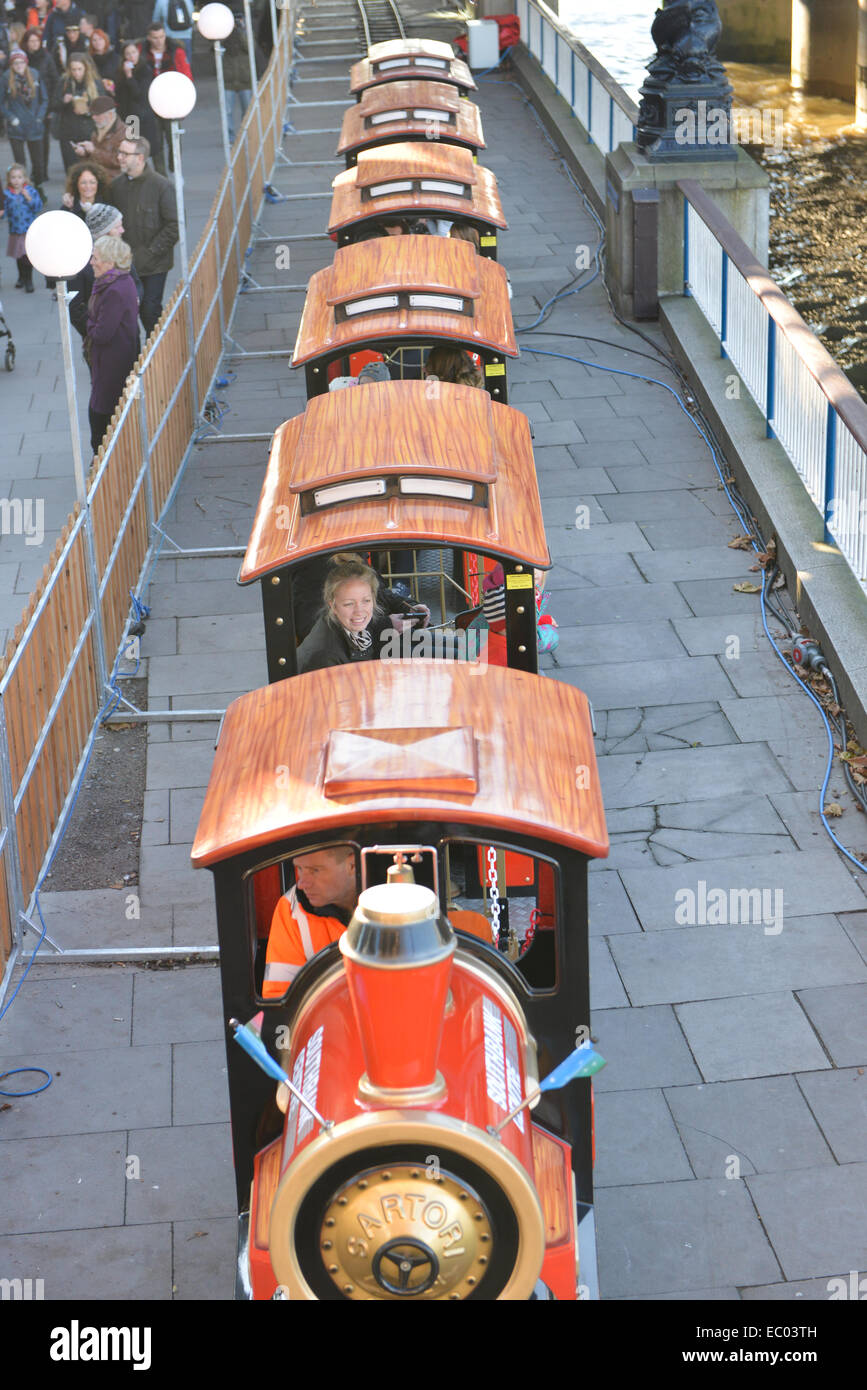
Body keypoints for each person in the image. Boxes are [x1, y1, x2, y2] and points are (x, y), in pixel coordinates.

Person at [262, 844, 359, 998]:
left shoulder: (401, 897)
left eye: (315, 870)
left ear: (352, 865)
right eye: (299, 869)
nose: (302, 883)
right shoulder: (291, 909)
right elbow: (278, 999)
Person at [110, 132, 177, 335]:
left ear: (140, 158)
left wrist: (150, 252)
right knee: (129, 313)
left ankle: (159, 354)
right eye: (119, 152)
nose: (119, 157)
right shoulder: (116, 187)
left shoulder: (161, 186)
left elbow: (174, 225)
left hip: (155, 264)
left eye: (125, 153)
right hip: (126, 264)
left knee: (150, 311)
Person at [85, 231, 138, 452]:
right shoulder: (116, 282)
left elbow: (101, 334)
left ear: (109, 261)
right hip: (112, 360)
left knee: (100, 416)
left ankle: (100, 463)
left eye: (95, 258)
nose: (91, 262)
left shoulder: (114, 289)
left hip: (112, 364)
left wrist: (88, 322)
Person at [68, 198, 142, 341]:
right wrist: (94, 332)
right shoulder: (83, 265)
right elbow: (75, 309)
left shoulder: (121, 251)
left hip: (128, 334)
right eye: (117, 227)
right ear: (104, 233)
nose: (122, 230)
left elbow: (136, 283)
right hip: (101, 343)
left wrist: (136, 298)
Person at [0, 50, 48, 191]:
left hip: (34, 124)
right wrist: (11, 117)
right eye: (15, 63)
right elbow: (1, 103)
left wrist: (40, 117)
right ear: (11, 65)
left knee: (38, 163)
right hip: (17, 126)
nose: (19, 65)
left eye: (21, 62)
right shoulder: (6, 78)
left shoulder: (35, 75)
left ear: (26, 62)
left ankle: (38, 188)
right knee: (20, 163)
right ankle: (22, 191)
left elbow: (44, 99)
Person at [52, 51, 104, 169]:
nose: (77, 73)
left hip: (89, 131)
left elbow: (103, 107)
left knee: (89, 168)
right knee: (71, 169)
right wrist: (64, 101)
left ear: (86, 68)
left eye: (80, 69)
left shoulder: (95, 83)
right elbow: (54, 105)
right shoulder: (64, 82)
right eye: (74, 69)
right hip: (69, 132)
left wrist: (88, 111)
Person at [22, 25, 57, 177]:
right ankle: (30, 171)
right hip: (26, 104)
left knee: (43, 139)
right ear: (27, 42)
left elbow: (55, 80)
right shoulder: (22, 59)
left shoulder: (47, 57)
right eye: (31, 41)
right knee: (30, 140)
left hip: (44, 103)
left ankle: (42, 171)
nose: (34, 43)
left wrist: (51, 107)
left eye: (37, 40)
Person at [114, 40, 159, 154]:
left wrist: (129, 77)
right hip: (128, 116)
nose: (131, 56)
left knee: (149, 148)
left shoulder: (145, 70)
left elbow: (139, 94)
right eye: (128, 54)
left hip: (143, 115)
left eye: (133, 52)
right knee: (131, 148)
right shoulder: (120, 72)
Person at [3, 161, 42, 291]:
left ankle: (28, 280)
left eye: (19, 177)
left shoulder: (30, 191)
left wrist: (29, 198)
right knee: (18, 256)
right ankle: (21, 277)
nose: (16, 180)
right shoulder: (7, 194)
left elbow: (38, 206)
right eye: (13, 177)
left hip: (28, 230)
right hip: (15, 231)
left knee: (27, 256)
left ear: (25, 178)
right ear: (9, 179)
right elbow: (5, 210)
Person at [72, 92, 123, 174]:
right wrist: (85, 153)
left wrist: (93, 150)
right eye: (92, 114)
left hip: (114, 180)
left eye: (97, 115)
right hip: (97, 177)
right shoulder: (98, 130)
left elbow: (119, 161)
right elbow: (94, 160)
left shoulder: (124, 132)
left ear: (110, 114)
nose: (93, 118)